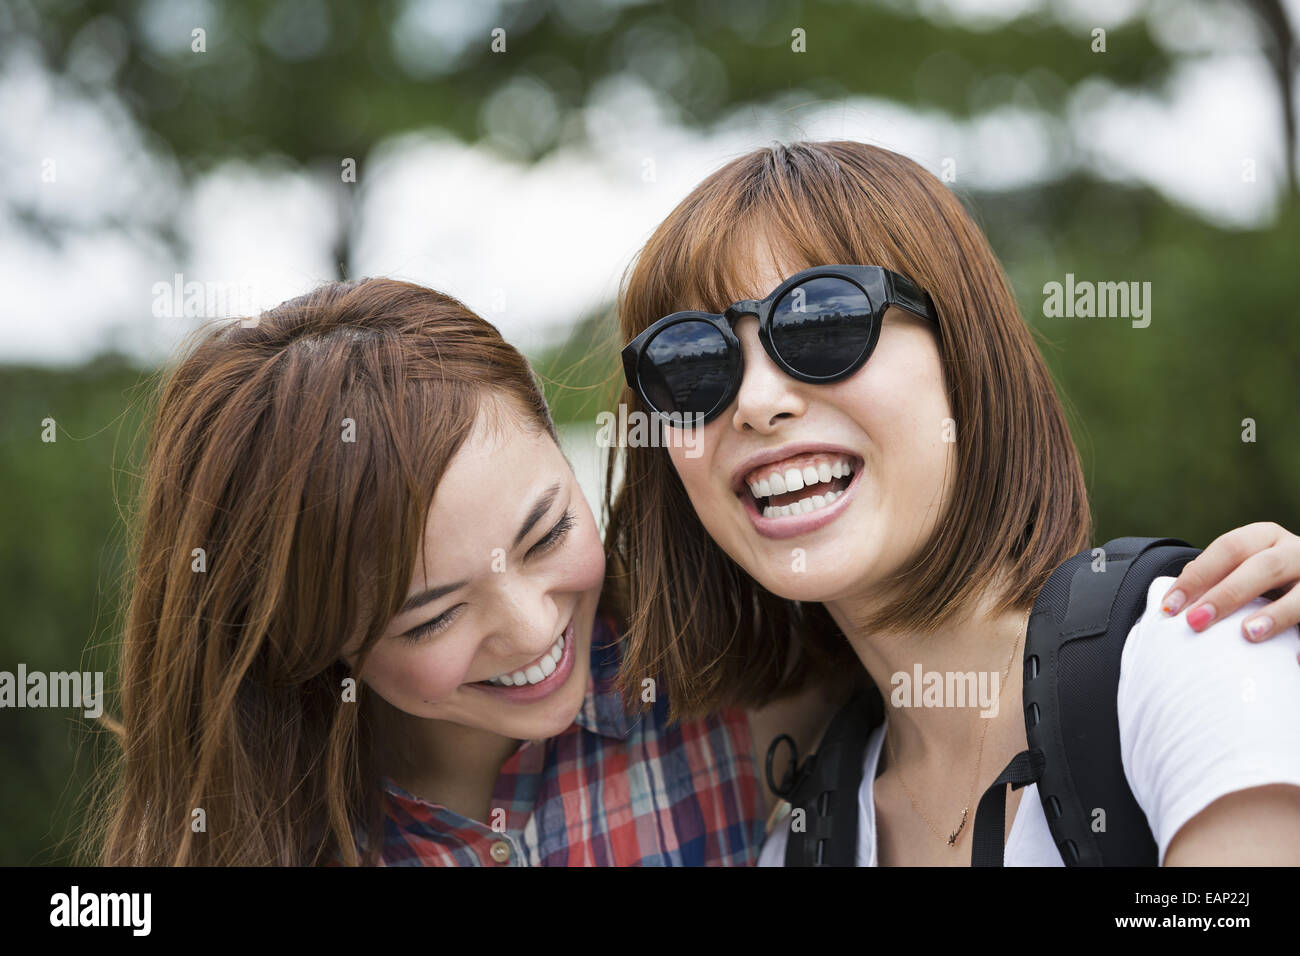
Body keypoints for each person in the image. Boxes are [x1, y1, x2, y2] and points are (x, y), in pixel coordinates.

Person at [609, 140, 1300, 864]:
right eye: (687, 363)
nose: (755, 402)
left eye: (820, 323)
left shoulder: (1201, 656)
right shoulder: (800, 845)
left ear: (966, 353)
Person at [90, 278, 765, 866]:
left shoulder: (732, 678)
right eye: (434, 615)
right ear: (309, 637)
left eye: (548, 533)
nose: (532, 632)